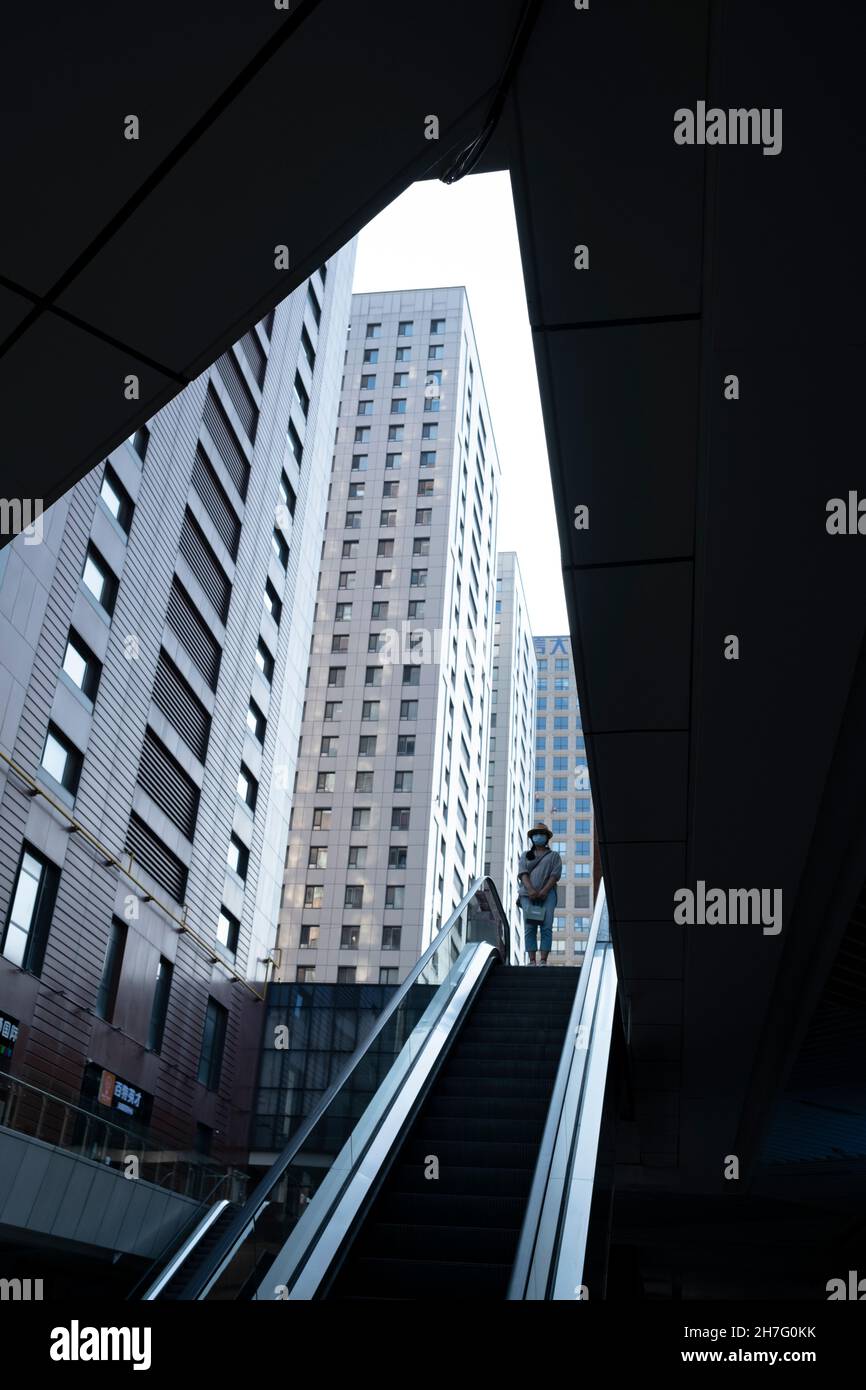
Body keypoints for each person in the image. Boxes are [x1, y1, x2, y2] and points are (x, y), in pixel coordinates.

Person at [517, 821, 562, 965]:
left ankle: (543, 959)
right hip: (527, 895)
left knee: (546, 927)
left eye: (541, 834)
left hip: (548, 895)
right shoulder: (525, 855)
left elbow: (555, 875)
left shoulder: (554, 856)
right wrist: (530, 890)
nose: (538, 836)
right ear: (532, 837)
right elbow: (523, 873)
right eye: (536, 834)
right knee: (529, 927)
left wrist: (544, 891)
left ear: (546, 837)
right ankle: (531, 960)